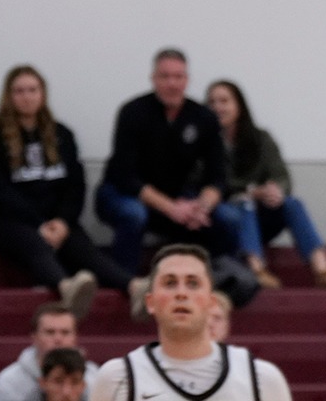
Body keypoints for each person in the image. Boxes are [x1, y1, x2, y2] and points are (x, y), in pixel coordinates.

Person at [0, 65, 137, 319]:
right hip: (8, 220)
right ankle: (67, 287)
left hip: (56, 219)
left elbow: (75, 186)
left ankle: (134, 287)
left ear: (43, 94)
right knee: (35, 242)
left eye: (32, 90)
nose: (27, 97)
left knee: (82, 247)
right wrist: (38, 223)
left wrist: (63, 221)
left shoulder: (62, 134)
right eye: (19, 91)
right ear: (9, 96)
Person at [90, 244, 294, 401]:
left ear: (211, 302)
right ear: (150, 303)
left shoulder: (262, 378)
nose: (181, 293)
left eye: (193, 283)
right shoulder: (116, 377)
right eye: (170, 283)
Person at [205, 79, 326, 291]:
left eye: (224, 101)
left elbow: (281, 176)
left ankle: (323, 270)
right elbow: (211, 183)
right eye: (212, 102)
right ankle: (256, 269)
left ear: (239, 105)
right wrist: (251, 192)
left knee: (292, 203)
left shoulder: (261, 138)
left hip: (262, 215)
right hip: (227, 216)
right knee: (244, 203)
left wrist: (275, 191)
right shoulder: (204, 141)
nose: (218, 107)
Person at [96, 49, 234, 273]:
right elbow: (126, 176)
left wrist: (201, 207)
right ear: (153, 79)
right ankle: (125, 281)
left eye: (178, 77)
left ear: (187, 80)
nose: (172, 83)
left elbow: (218, 176)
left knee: (229, 217)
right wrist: (171, 208)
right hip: (124, 194)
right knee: (134, 214)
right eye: (165, 76)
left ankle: (221, 282)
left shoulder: (203, 117)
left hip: (179, 197)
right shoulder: (132, 112)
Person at [0, 302, 99, 401]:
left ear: (75, 337)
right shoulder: (9, 382)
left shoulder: (94, 377)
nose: (58, 339)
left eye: (65, 332)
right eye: (50, 332)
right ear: (34, 337)